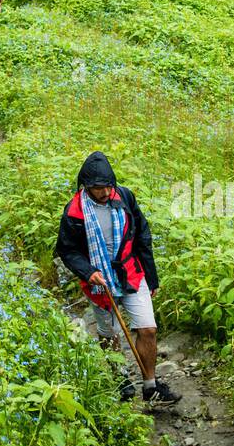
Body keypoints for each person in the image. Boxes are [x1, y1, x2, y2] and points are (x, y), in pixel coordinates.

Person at [56, 151, 181, 407]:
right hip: (99, 281)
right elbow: (67, 250)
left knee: (148, 328)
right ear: (86, 186)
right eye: (97, 188)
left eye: (106, 187)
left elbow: (142, 236)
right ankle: (121, 381)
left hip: (131, 272)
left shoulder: (124, 197)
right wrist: (88, 272)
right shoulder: (74, 212)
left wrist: (152, 278)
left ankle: (150, 386)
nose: (103, 193)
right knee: (109, 335)